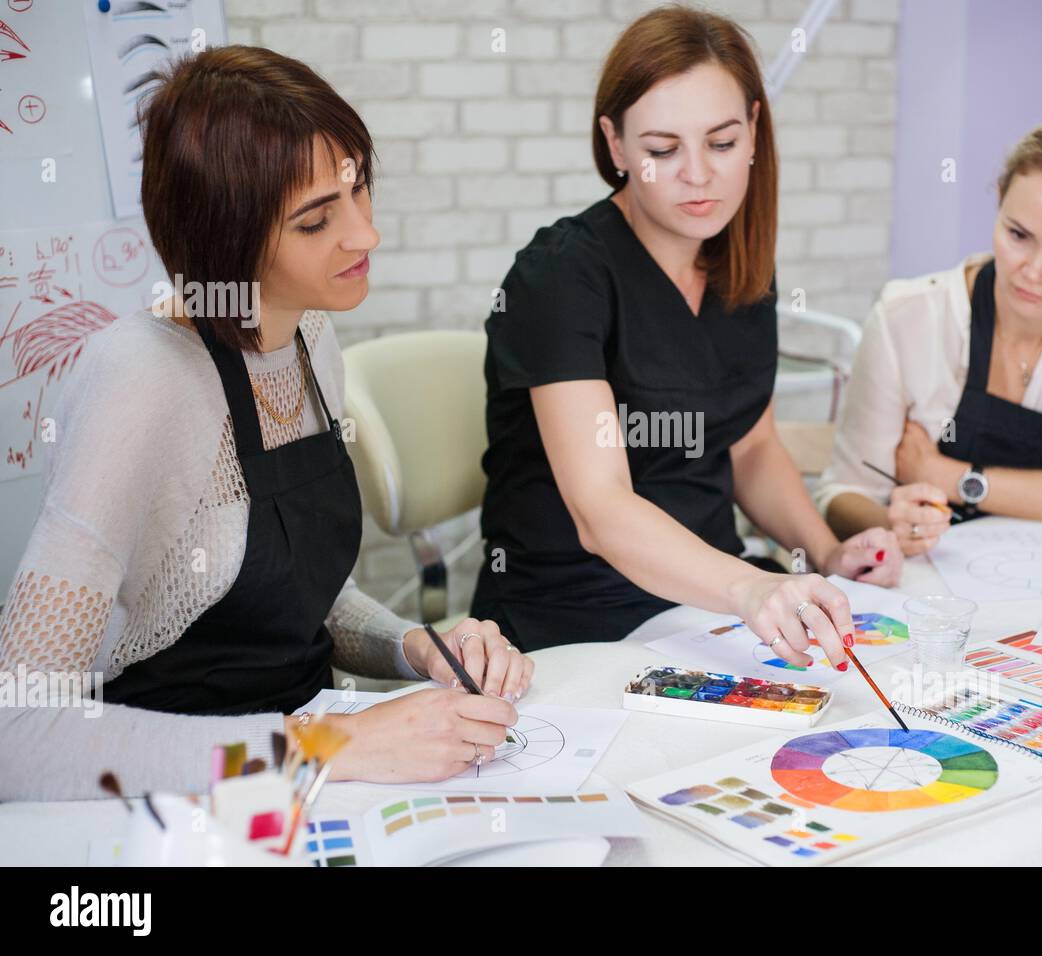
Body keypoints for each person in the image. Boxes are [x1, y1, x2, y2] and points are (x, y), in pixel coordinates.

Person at [0, 47, 531, 801]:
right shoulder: (138, 381)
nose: (364, 235)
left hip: (309, 773)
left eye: (359, 190)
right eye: (316, 221)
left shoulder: (311, 338)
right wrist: (324, 746)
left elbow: (297, 605)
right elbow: (17, 735)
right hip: (169, 800)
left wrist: (418, 649)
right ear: (227, 237)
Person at [471, 6, 903, 663]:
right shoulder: (559, 276)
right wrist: (751, 588)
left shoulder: (737, 260)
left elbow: (752, 446)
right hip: (573, 622)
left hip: (707, 608)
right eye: (661, 150)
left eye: (722, 143)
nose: (698, 174)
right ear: (615, 145)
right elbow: (602, 510)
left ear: (755, 130)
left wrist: (826, 551)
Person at [819, 110, 1042, 552]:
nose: (1034, 272)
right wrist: (891, 524)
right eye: (1018, 235)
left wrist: (953, 478)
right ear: (998, 202)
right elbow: (843, 496)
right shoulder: (907, 317)